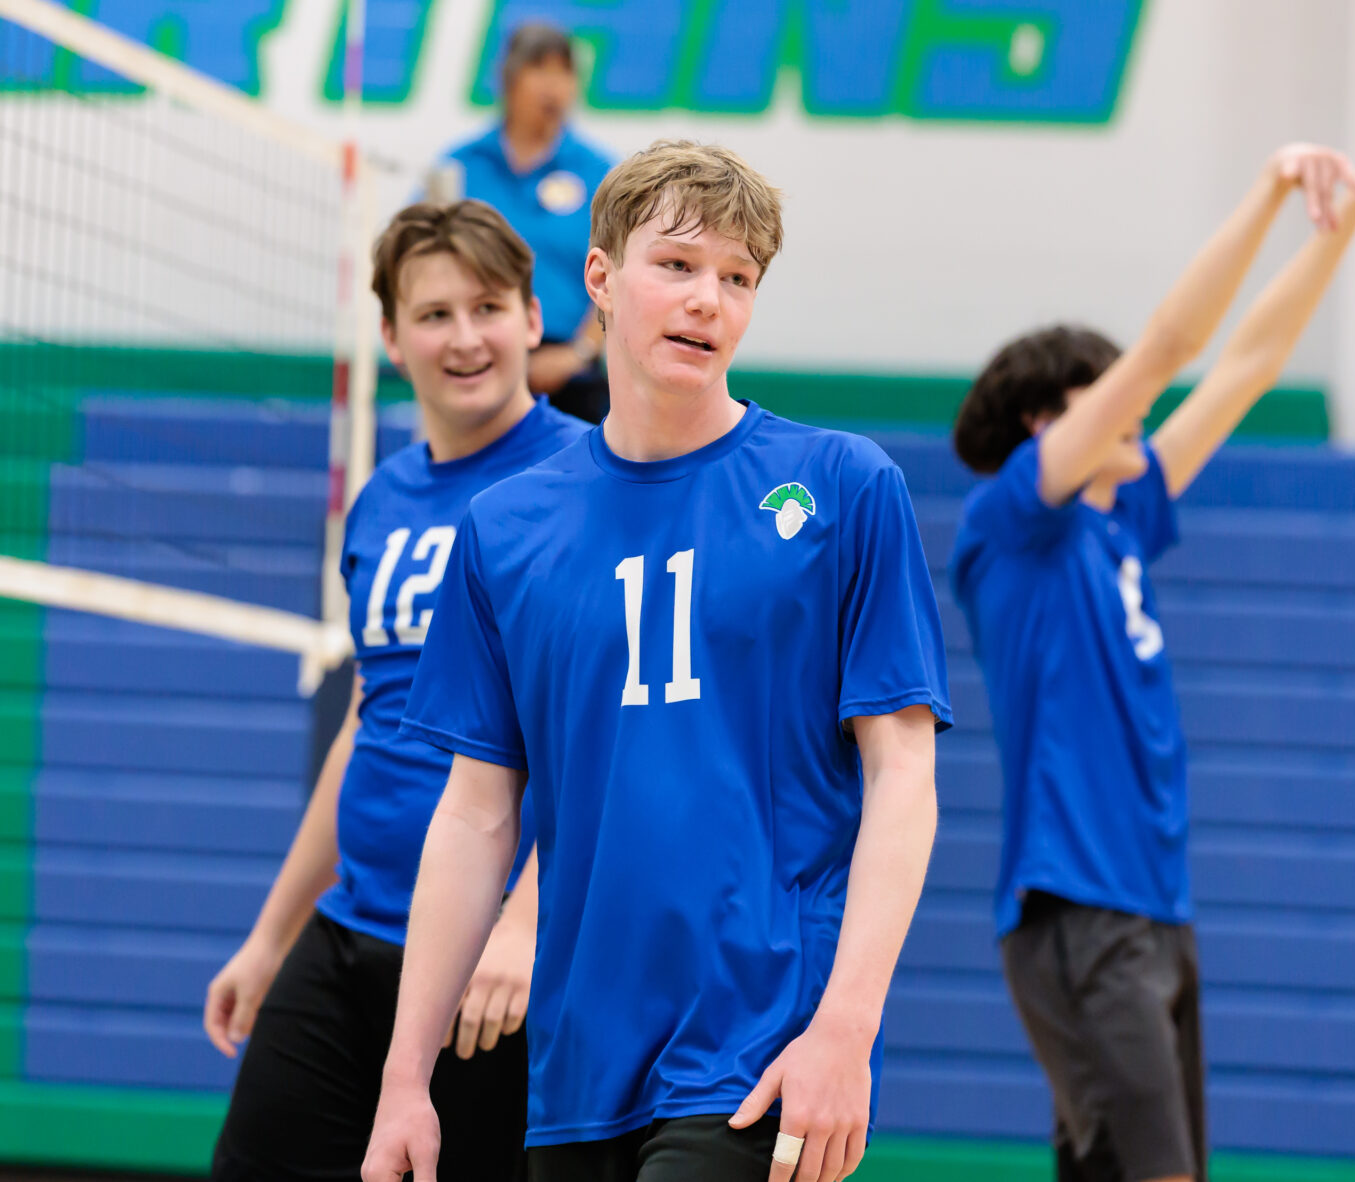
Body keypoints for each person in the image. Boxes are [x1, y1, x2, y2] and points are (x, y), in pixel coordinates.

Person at [361, 140, 952, 1182]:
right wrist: (406, 1078)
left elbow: (902, 774)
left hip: (761, 1042)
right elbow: (476, 811)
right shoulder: (506, 529)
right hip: (578, 1066)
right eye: (676, 266)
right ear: (599, 277)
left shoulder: (841, 486)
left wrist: (846, 1031)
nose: (707, 302)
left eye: (737, 279)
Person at [948, 81, 1355, 1182]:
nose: (1139, 408)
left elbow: (1246, 362)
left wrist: (1350, 210)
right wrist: (1273, 182)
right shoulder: (1012, 523)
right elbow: (1176, 343)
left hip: (1151, 907)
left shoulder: (1121, 514)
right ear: (1051, 423)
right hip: (1076, 909)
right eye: (1109, 394)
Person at [205, 200, 590, 1181]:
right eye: (433, 314)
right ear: (389, 336)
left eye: (488, 307)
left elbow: (600, 739)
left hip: (494, 965)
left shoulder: (584, 481)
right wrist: (268, 937)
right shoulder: (382, 498)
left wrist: (525, 918)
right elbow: (369, 728)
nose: (464, 338)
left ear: (532, 320)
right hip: (350, 932)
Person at [442, 23, 614, 423]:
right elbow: (415, 259)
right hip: (475, 361)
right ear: (509, 80)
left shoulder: (599, 173)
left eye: (564, 72)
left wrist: (578, 354)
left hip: (571, 377)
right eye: (540, 70)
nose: (553, 87)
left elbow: (623, 276)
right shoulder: (462, 167)